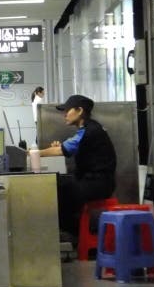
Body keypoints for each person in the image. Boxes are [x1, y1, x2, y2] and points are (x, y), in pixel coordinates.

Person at [36, 94, 116, 242]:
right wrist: (59, 148)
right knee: (58, 186)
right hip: (95, 181)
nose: (64, 114)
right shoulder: (88, 129)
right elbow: (68, 147)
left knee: (54, 189)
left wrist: (34, 153)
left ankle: (76, 235)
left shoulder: (89, 131)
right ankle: (74, 233)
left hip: (98, 184)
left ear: (79, 111)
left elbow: (63, 150)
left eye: (67, 110)